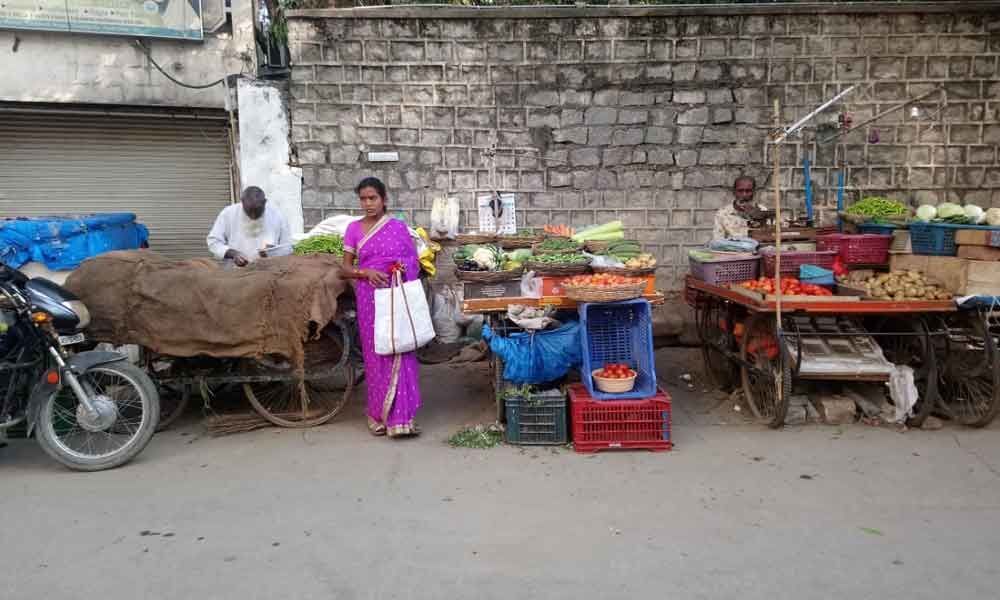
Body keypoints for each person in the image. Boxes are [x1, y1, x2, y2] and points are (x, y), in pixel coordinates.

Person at [342, 177, 422, 438]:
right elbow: (344, 270)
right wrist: (365, 273)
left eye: (372, 198)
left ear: (384, 199)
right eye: (363, 199)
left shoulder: (398, 228)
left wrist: (400, 272)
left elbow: (413, 261)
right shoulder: (353, 229)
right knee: (376, 353)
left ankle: (402, 417)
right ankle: (377, 413)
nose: (367, 203)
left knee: (401, 347)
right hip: (369, 299)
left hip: (396, 295)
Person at [207, 186, 291, 267]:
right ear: (242, 202)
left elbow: (287, 247)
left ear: (265, 202)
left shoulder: (278, 216)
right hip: (235, 273)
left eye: (258, 210)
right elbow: (214, 242)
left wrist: (273, 252)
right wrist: (232, 253)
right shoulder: (228, 214)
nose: (253, 216)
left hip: (267, 273)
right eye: (249, 211)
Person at [713, 176, 764, 241]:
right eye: (740, 191)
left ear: (754, 192)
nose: (744, 195)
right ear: (734, 192)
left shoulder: (763, 211)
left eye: (748, 191)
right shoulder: (722, 214)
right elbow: (718, 241)